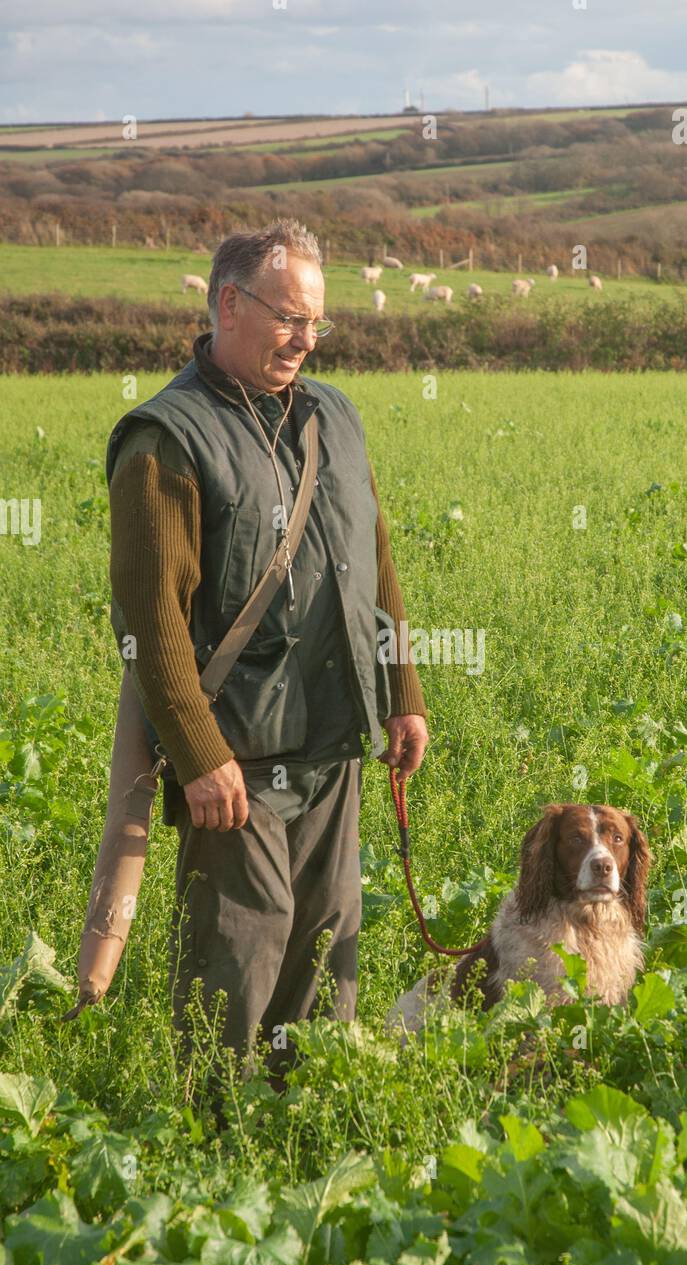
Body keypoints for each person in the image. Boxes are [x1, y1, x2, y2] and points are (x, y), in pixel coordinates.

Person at [105, 218, 429, 1091]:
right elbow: (147, 617)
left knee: (325, 950)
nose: (304, 338)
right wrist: (198, 753)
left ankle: (303, 1125)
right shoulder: (166, 438)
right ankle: (214, 1141)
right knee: (239, 955)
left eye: (315, 323)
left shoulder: (334, 414)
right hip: (237, 755)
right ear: (228, 304)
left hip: (332, 733)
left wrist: (401, 688)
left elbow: (376, 556)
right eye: (288, 317)